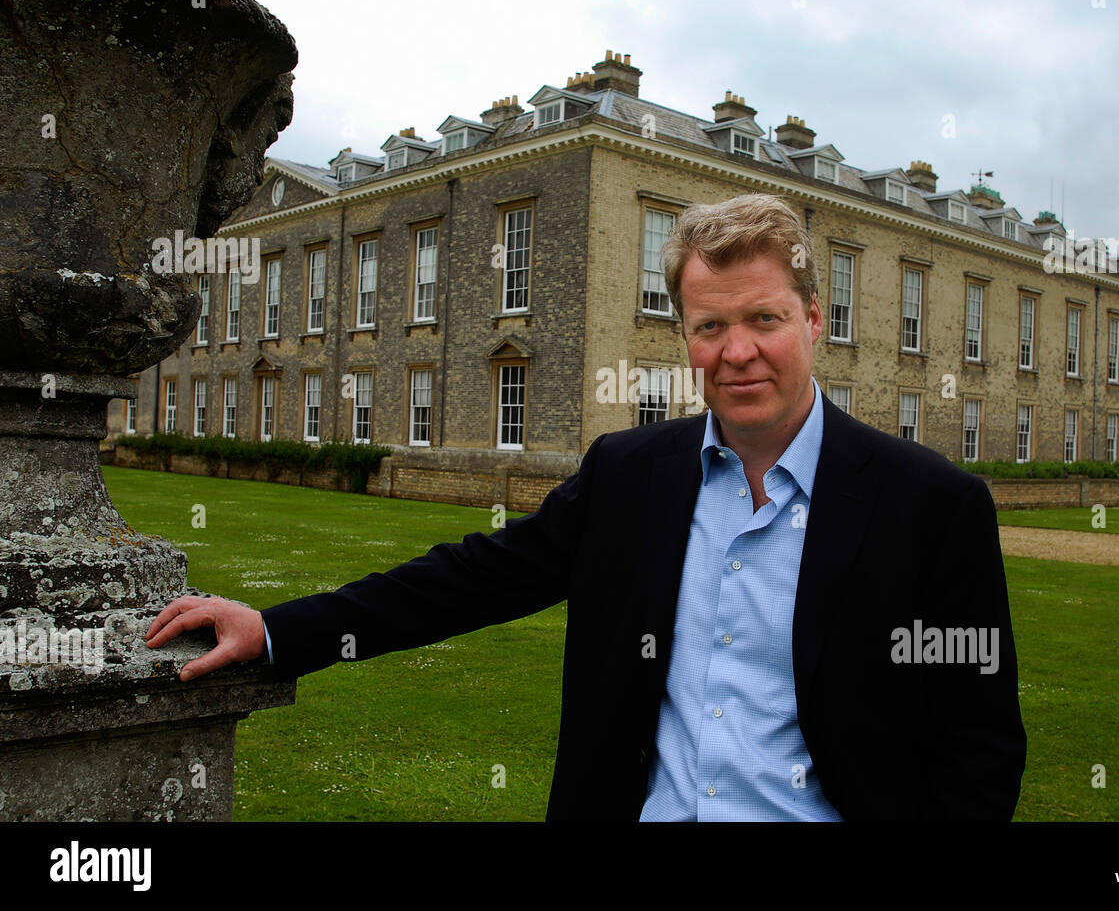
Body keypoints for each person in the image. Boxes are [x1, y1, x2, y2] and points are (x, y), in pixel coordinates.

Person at [147, 192, 1027, 821]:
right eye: (709, 326)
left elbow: (982, 752)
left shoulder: (931, 505)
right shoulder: (632, 473)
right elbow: (468, 580)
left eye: (763, 318)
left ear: (811, 319)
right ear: (686, 333)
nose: (737, 351)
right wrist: (274, 630)